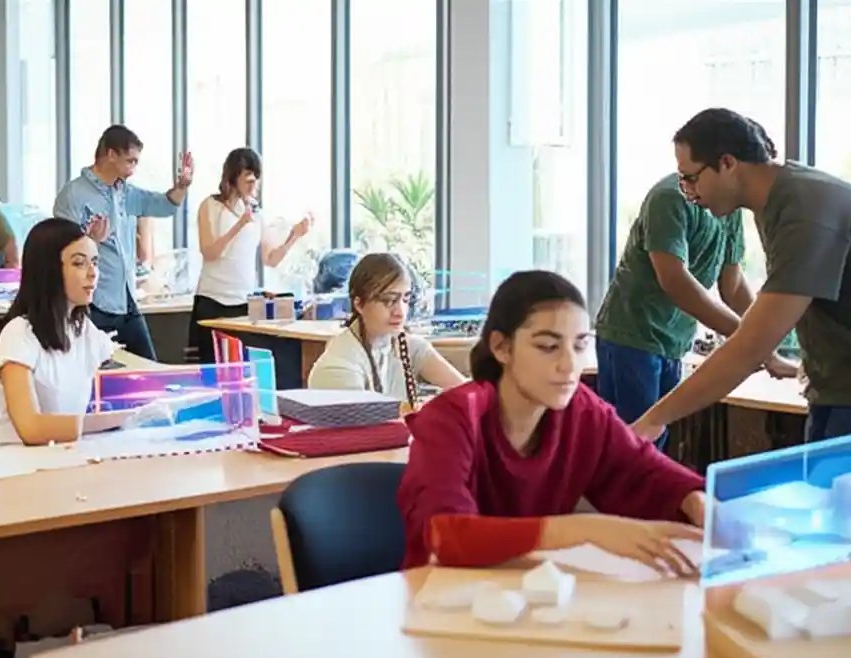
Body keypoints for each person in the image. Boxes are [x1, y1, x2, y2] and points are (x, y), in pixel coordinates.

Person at [631, 108, 851, 456]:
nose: (689, 192)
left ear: (727, 163)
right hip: (840, 381)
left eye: (691, 178)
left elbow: (749, 347)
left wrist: (653, 421)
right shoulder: (774, 201)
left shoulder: (806, 211)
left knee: (848, 491)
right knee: (819, 485)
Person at [397, 270, 706, 573]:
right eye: (548, 346)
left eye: (580, 345)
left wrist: (694, 500)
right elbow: (444, 535)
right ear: (501, 347)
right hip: (440, 594)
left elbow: (643, 471)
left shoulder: (582, 411)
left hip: (529, 592)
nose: (569, 365)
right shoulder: (451, 417)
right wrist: (583, 530)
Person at [595, 159, 796, 449]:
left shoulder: (728, 209)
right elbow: (677, 284)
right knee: (635, 445)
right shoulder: (669, 198)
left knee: (657, 442)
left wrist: (767, 339)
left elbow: (733, 286)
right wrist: (755, 343)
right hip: (631, 335)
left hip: (674, 341)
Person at [53, 124, 194, 361]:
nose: (133, 169)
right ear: (111, 154)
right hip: (92, 302)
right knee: (95, 371)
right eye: (130, 161)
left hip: (126, 300)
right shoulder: (73, 195)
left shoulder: (126, 193)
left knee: (148, 367)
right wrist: (90, 241)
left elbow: (165, 205)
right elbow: (61, 249)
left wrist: (181, 187)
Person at [0, 218, 117, 446]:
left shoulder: (84, 330)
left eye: (95, 262)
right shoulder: (19, 333)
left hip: (62, 456)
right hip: (11, 460)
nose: (93, 273)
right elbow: (31, 429)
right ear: (49, 271)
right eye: (79, 263)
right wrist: (118, 420)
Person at [189, 148, 313, 363]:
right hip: (212, 300)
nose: (253, 184)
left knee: (243, 366)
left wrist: (294, 236)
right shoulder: (211, 206)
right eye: (248, 177)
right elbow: (209, 252)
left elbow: (270, 259)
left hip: (242, 303)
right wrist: (239, 225)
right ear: (233, 177)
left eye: (256, 178)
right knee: (212, 367)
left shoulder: (257, 213)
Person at [308, 253, 463, 406]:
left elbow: (467, 393)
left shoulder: (410, 347)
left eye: (405, 299)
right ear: (359, 304)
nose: (400, 312)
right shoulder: (338, 367)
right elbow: (367, 421)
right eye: (389, 301)